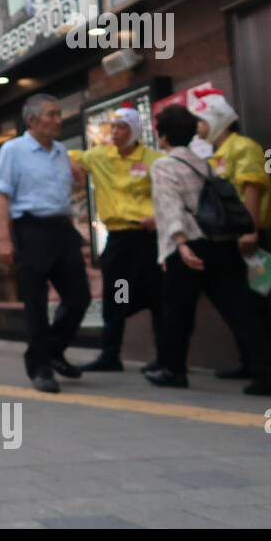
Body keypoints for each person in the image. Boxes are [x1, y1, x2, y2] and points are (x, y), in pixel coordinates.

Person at [145, 105, 271, 396]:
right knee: (239, 310)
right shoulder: (204, 164)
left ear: (162, 136)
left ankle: (173, 369)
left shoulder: (163, 166)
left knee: (178, 312)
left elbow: (170, 208)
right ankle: (265, 371)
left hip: (189, 247)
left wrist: (179, 244)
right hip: (221, 244)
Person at [189, 88, 271, 389]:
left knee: (254, 305)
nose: (198, 128)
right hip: (233, 239)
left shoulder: (243, 147)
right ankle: (250, 363)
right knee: (243, 306)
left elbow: (252, 188)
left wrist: (250, 229)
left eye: (201, 121)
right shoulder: (218, 153)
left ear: (216, 119)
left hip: (248, 238)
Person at [0, 93, 89, 393]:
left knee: (79, 297)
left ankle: (53, 350)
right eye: (52, 114)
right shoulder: (13, 150)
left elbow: (63, 197)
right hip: (30, 230)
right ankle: (40, 367)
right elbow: (2, 196)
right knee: (35, 303)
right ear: (32, 120)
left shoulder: (61, 151)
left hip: (62, 229)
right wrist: (4, 239)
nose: (58, 120)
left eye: (59, 114)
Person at [68, 103, 164, 372]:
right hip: (119, 240)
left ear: (134, 130)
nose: (116, 132)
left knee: (158, 297)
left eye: (122, 127)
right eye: (113, 127)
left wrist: (159, 217)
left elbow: (170, 195)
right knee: (116, 295)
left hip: (149, 239)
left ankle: (165, 357)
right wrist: (73, 167)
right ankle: (111, 355)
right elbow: (68, 155)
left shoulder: (154, 160)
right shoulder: (100, 156)